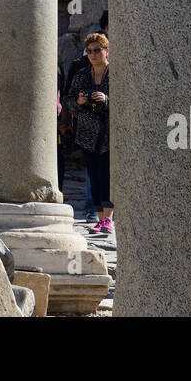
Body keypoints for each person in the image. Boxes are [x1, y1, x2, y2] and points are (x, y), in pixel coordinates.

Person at [70, 32, 112, 234]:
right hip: (87, 134)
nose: (93, 54)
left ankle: (109, 218)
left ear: (107, 51)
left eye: (97, 50)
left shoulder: (115, 74)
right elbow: (69, 102)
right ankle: (100, 218)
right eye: (90, 51)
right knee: (94, 177)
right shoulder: (81, 75)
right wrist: (78, 102)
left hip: (109, 134)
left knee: (108, 175)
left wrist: (106, 99)